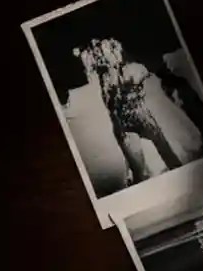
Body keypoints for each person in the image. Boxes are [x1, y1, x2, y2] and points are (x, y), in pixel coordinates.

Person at [75, 38, 183, 182]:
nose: (100, 56)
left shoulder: (132, 69)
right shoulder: (102, 77)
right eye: (98, 54)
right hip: (124, 121)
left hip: (138, 116)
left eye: (103, 52)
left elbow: (146, 77)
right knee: (140, 169)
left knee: (166, 155)